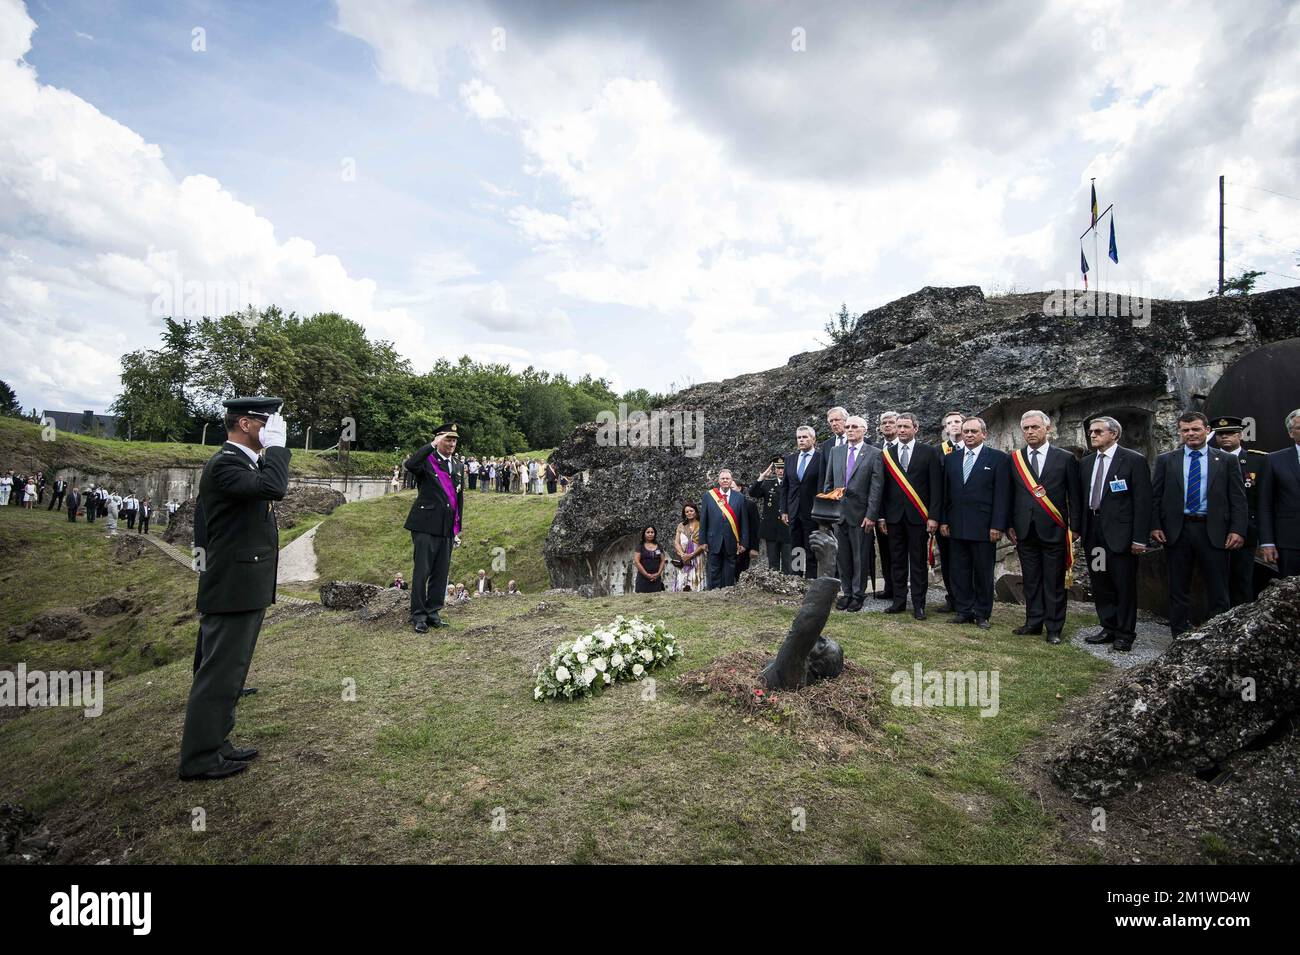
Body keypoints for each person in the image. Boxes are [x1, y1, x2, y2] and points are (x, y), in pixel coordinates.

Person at [179, 396, 289, 781]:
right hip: (232, 583)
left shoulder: (240, 463)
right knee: (219, 673)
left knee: (231, 669)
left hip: (240, 581)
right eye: (266, 423)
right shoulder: (227, 463)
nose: (273, 430)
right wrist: (278, 449)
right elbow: (274, 487)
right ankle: (199, 757)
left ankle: (217, 742)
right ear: (245, 424)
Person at [1151, 411, 1247, 637]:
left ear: (1207, 430)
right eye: (1185, 430)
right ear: (1180, 432)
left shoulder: (1227, 460)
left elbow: (1238, 499)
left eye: (1195, 429)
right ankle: (1179, 635)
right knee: (1177, 586)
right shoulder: (1166, 460)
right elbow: (1156, 497)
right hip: (1177, 530)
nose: (1190, 434)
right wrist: (1155, 526)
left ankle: (1217, 635)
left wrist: (1237, 529)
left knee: (1217, 586)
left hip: (1212, 530)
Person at [1006, 410, 1083, 644]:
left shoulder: (1065, 458)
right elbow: (1009, 495)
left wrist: (1075, 527)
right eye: (1026, 428)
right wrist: (1009, 524)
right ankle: (1033, 622)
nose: (1030, 432)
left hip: (1054, 528)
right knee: (1031, 580)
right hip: (1024, 529)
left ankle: (1054, 628)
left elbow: (1075, 496)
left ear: (1047, 429)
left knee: (1054, 581)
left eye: (1034, 427)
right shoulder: (1014, 458)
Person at [1080, 415, 1152, 652]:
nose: (1093, 435)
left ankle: (1124, 633)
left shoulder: (1133, 460)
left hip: (1121, 534)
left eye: (1098, 431)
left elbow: (1142, 502)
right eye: (1091, 431)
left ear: (1114, 434)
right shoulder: (1087, 462)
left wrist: (1140, 538)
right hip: (1094, 530)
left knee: (1123, 584)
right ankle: (1108, 626)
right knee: (1101, 581)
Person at [940, 416, 1011, 630]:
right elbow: (945, 493)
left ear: (984, 434)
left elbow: (1002, 495)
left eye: (973, 431)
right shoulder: (952, 459)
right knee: (959, 570)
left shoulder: (998, 459)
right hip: (956, 524)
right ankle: (964, 610)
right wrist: (943, 520)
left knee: (982, 572)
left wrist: (997, 525)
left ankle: (982, 614)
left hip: (984, 527)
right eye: (965, 432)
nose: (969, 435)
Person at [404, 423, 465, 633]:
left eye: (454, 440)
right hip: (425, 525)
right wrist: (431, 445)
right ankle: (418, 615)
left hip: (446, 527)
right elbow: (410, 465)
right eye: (448, 439)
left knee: (441, 572)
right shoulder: (427, 461)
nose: (452, 443)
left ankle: (433, 612)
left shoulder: (457, 465)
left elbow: (458, 498)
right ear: (438, 440)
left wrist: (457, 527)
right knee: (422, 572)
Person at [880, 412, 942, 618]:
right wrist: (882, 516)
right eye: (899, 427)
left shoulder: (929, 452)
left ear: (915, 428)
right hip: (894, 517)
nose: (902, 430)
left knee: (918, 562)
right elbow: (883, 488)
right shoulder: (888, 453)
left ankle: (919, 604)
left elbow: (936, 487)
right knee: (896, 561)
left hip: (919, 517)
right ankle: (898, 601)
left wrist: (933, 516)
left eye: (906, 426)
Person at [823, 416, 884, 611]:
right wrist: (828, 511)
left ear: (864, 430)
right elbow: (829, 483)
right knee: (842, 557)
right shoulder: (836, 451)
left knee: (860, 557)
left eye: (854, 427)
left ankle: (858, 594)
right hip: (838, 514)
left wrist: (871, 515)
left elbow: (876, 488)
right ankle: (846, 592)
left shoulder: (874, 454)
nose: (849, 430)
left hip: (861, 515)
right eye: (847, 426)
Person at [1211, 416, 1271, 605]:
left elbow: (1263, 499)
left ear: (1240, 435)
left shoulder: (1258, 460)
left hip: (1247, 529)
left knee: (1243, 579)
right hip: (1215, 529)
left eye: (1230, 433)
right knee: (1216, 580)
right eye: (1220, 434)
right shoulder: (1208, 459)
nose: (1225, 437)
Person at [782, 426, 823, 579]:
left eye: (805, 437)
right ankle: (797, 578)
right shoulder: (790, 459)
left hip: (812, 511)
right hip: (793, 511)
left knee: (811, 546)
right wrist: (784, 510)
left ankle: (811, 579)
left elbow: (822, 486)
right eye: (799, 437)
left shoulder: (820, 458)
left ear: (813, 439)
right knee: (796, 546)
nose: (801, 440)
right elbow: (785, 486)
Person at [699, 468, 748, 589]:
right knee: (713, 569)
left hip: (732, 540)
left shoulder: (739, 497)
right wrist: (702, 541)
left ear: (731, 481)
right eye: (723, 478)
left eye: (727, 478)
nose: (725, 480)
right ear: (719, 481)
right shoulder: (709, 496)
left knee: (729, 569)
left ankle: (727, 592)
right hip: (713, 539)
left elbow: (744, 522)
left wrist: (744, 542)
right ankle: (714, 593)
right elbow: (704, 520)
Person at [935, 410, 965, 611]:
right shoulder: (938, 451)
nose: (953, 425)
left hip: (968, 515)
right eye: (949, 423)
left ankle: (967, 599)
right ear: (945, 429)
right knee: (947, 558)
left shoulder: (975, 449)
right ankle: (952, 598)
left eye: (957, 421)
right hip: (944, 514)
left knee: (966, 559)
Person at [874, 411, 901, 598]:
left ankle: (902, 590)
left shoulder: (906, 448)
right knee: (885, 551)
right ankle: (889, 587)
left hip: (903, 510)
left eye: (891, 422)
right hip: (880, 508)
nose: (887, 425)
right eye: (884, 422)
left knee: (901, 553)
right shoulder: (874, 449)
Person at [750, 457, 793, 573]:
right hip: (771, 528)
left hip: (787, 528)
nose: (780, 471)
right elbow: (753, 493)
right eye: (778, 468)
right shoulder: (768, 484)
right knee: (772, 562)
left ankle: (787, 587)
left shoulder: (793, 484)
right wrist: (761, 478)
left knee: (788, 563)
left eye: (783, 468)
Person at [671, 503, 705, 591]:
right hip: (683, 556)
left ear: (696, 512)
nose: (689, 513)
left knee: (695, 579)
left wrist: (691, 555)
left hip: (697, 557)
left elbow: (704, 544)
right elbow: (676, 542)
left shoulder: (702, 525)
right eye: (687, 512)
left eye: (691, 511)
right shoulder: (681, 525)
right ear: (684, 514)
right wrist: (683, 555)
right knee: (682, 580)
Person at [633, 526, 666, 592]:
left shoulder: (659, 546)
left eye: (652, 532)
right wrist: (647, 575)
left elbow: (662, 560)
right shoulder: (640, 546)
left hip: (656, 579)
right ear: (644, 534)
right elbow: (636, 561)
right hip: (643, 579)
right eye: (648, 532)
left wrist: (658, 574)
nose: (650, 534)